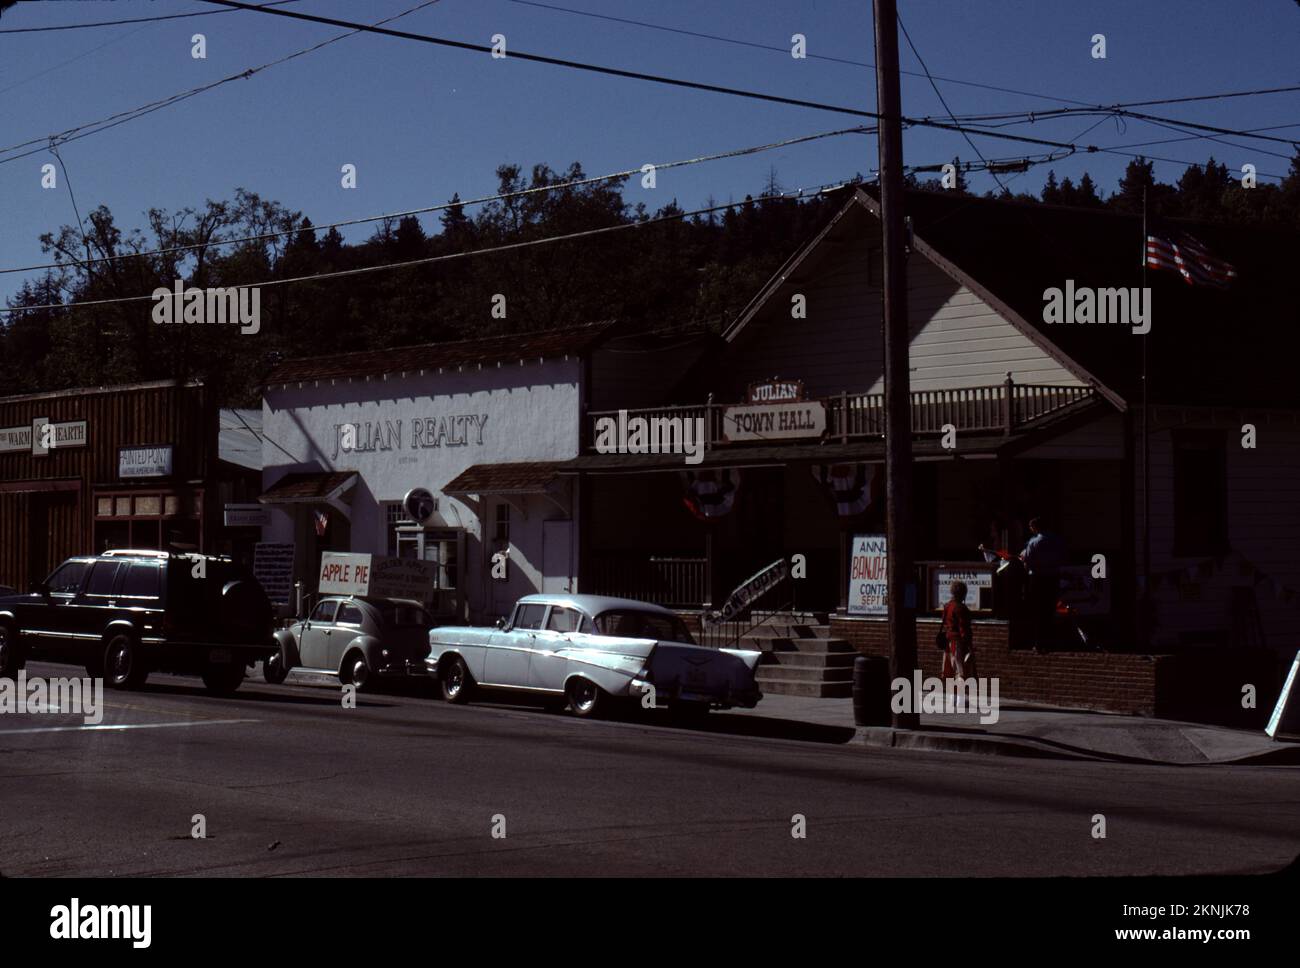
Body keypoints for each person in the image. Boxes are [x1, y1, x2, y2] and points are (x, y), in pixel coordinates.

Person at [1020, 517, 1066, 652]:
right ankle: (1051, 640)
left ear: (1035, 527)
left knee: (1038, 610)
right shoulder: (1057, 540)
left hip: (1037, 578)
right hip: (1053, 577)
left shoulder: (1034, 542)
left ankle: (1039, 642)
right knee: (1050, 609)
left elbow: (1026, 559)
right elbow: (1063, 557)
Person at [941, 580, 975, 680]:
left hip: (948, 641)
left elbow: (944, 621)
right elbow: (963, 627)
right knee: (960, 670)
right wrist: (968, 644)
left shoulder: (947, 606)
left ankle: (952, 694)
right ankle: (960, 695)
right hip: (958, 642)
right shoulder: (961, 608)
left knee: (950, 670)